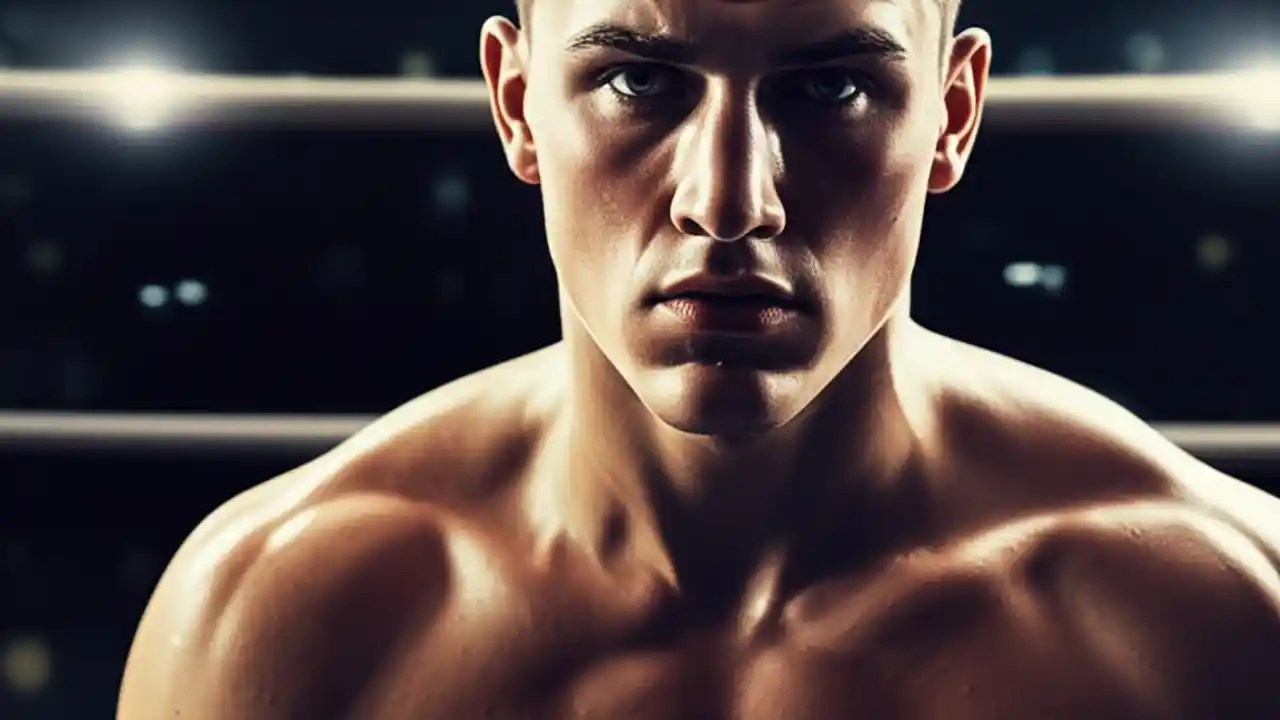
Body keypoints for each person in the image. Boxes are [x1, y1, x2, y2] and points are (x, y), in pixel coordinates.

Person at [118, 1, 1280, 717]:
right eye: (638, 82)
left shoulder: (1220, 615)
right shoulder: (268, 618)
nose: (728, 201)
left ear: (952, 113)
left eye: (830, 87)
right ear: (518, 102)